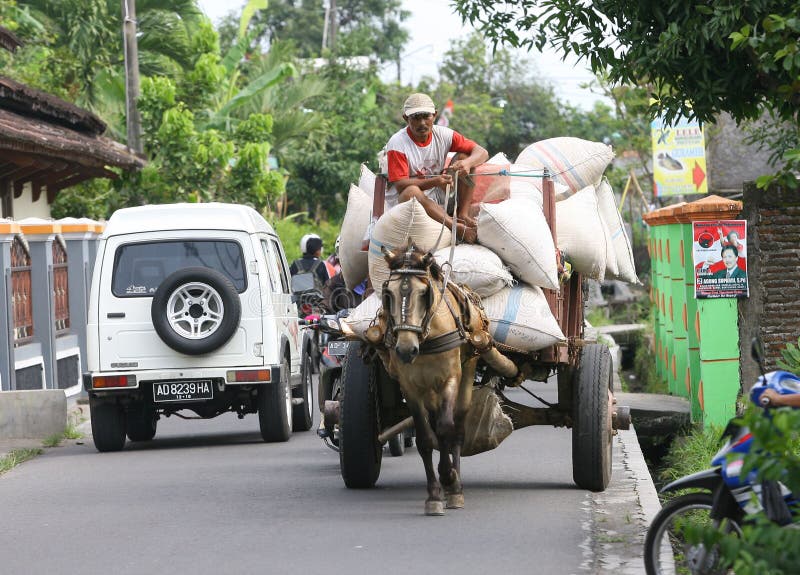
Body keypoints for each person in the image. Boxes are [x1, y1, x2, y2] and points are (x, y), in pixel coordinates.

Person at [385, 92, 489, 244]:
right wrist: (435, 181)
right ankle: (455, 227)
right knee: (411, 192)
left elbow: (482, 152)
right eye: (416, 118)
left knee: (464, 158)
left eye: (426, 116)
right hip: (410, 200)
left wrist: (467, 164)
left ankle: (463, 214)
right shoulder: (397, 143)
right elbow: (400, 185)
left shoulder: (444, 134)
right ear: (406, 119)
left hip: (438, 192)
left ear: (434, 115)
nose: (422, 123)